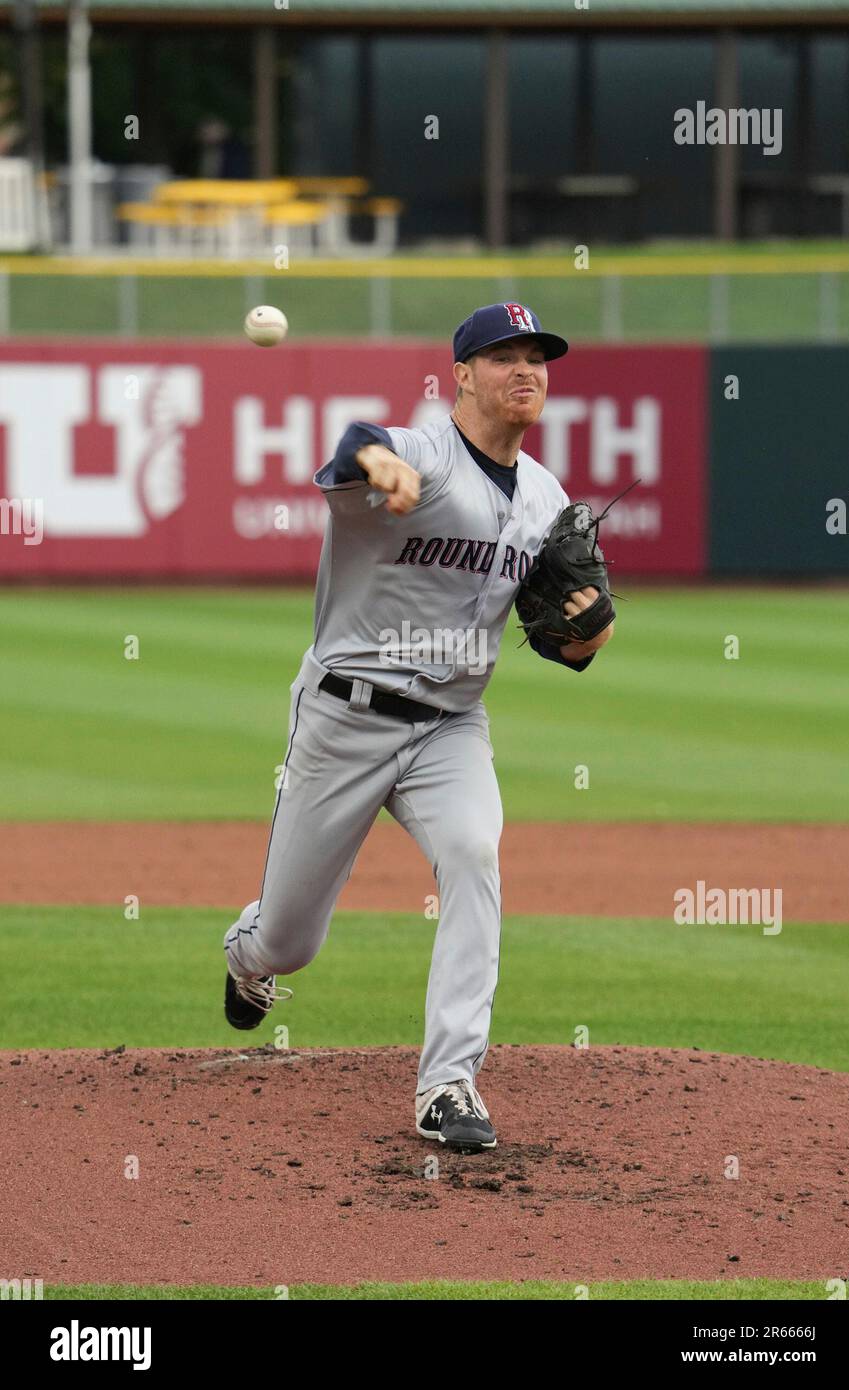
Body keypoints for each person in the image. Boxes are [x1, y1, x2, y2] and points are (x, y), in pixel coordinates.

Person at [223, 303, 614, 1152]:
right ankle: (246, 956)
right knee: (290, 943)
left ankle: (449, 1082)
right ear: (463, 374)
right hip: (345, 715)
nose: (526, 370)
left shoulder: (546, 497)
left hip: (452, 729)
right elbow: (358, 443)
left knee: (475, 855)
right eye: (504, 355)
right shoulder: (424, 454)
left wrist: (589, 628)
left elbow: (570, 642)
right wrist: (378, 469)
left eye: (538, 357)